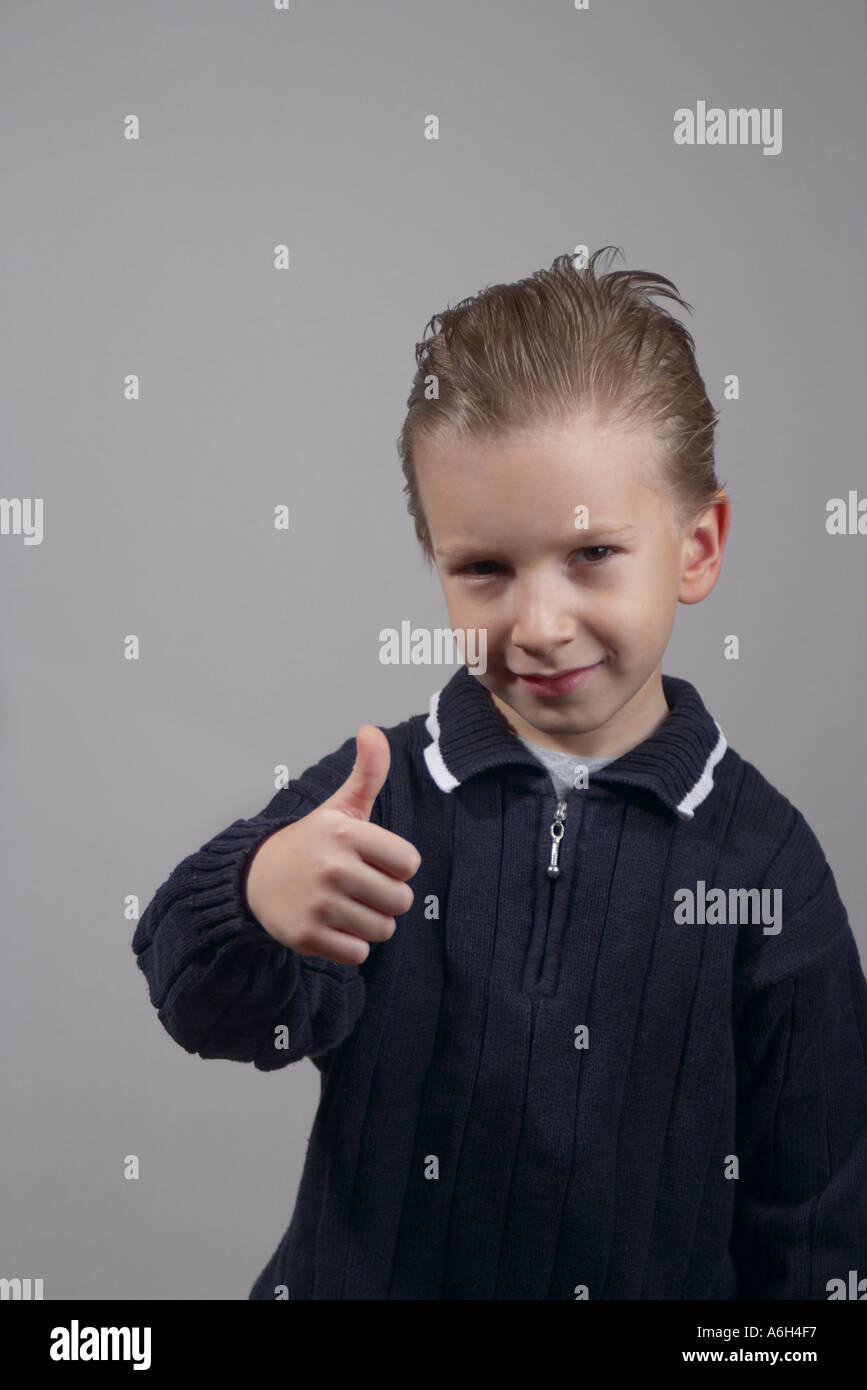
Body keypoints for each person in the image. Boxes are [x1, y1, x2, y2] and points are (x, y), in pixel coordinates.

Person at [132, 246, 867, 1299]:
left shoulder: (767, 864)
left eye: (591, 557)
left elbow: (819, 1219)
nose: (538, 622)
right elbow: (205, 1004)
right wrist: (256, 896)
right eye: (483, 569)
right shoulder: (380, 795)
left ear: (698, 546)